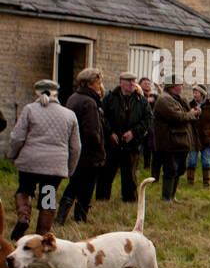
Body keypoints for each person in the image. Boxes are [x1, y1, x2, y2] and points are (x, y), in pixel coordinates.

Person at [8, 80, 80, 238]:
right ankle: (42, 235)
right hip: (55, 165)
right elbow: (76, 147)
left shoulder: (29, 110)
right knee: (48, 195)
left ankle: (24, 217)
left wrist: (12, 156)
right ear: (56, 93)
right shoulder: (69, 114)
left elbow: (17, 138)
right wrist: (69, 169)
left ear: (36, 93)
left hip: (30, 162)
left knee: (25, 189)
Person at [58, 67, 107, 224]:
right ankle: (80, 218)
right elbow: (92, 131)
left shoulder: (73, 98)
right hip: (88, 152)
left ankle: (58, 216)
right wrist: (100, 149)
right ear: (89, 83)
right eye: (97, 83)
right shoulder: (89, 102)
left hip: (75, 149)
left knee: (74, 184)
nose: (99, 86)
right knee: (86, 186)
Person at [96, 72, 152, 203]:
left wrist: (133, 132)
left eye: (133, 81)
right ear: (121, 82)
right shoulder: (110, 97)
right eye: (128, 81)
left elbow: (148, 119)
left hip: (132, 144)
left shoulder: (141, 100)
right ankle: (102, 198)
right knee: (106, 173)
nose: (132, 84)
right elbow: (102, 116)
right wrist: (110, 133)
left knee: (130, 175)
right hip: (112, 143)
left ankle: (130, 200)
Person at [152, 77, 199, 201]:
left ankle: (172, 196)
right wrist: (191, 114)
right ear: (173, 86)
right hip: (170, 141)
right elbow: (177, 116)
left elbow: (186, 113)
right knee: (170, 169)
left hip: (180, 141)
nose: (182, 86)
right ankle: (166, 197)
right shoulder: (164, 99)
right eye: (180, 84)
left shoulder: (178, 99)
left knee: (179, 169)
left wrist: (194, 113)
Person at [187, 85, 210, 187]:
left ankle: (206, 182)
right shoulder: (190, 105)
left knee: (206, 161)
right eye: (194, 92)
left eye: (196, 93)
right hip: (194, 137)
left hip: (206, 138)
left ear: (202, 94)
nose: (194, 95)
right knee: (192, 160)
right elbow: (186, 118)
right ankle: (190, 181)